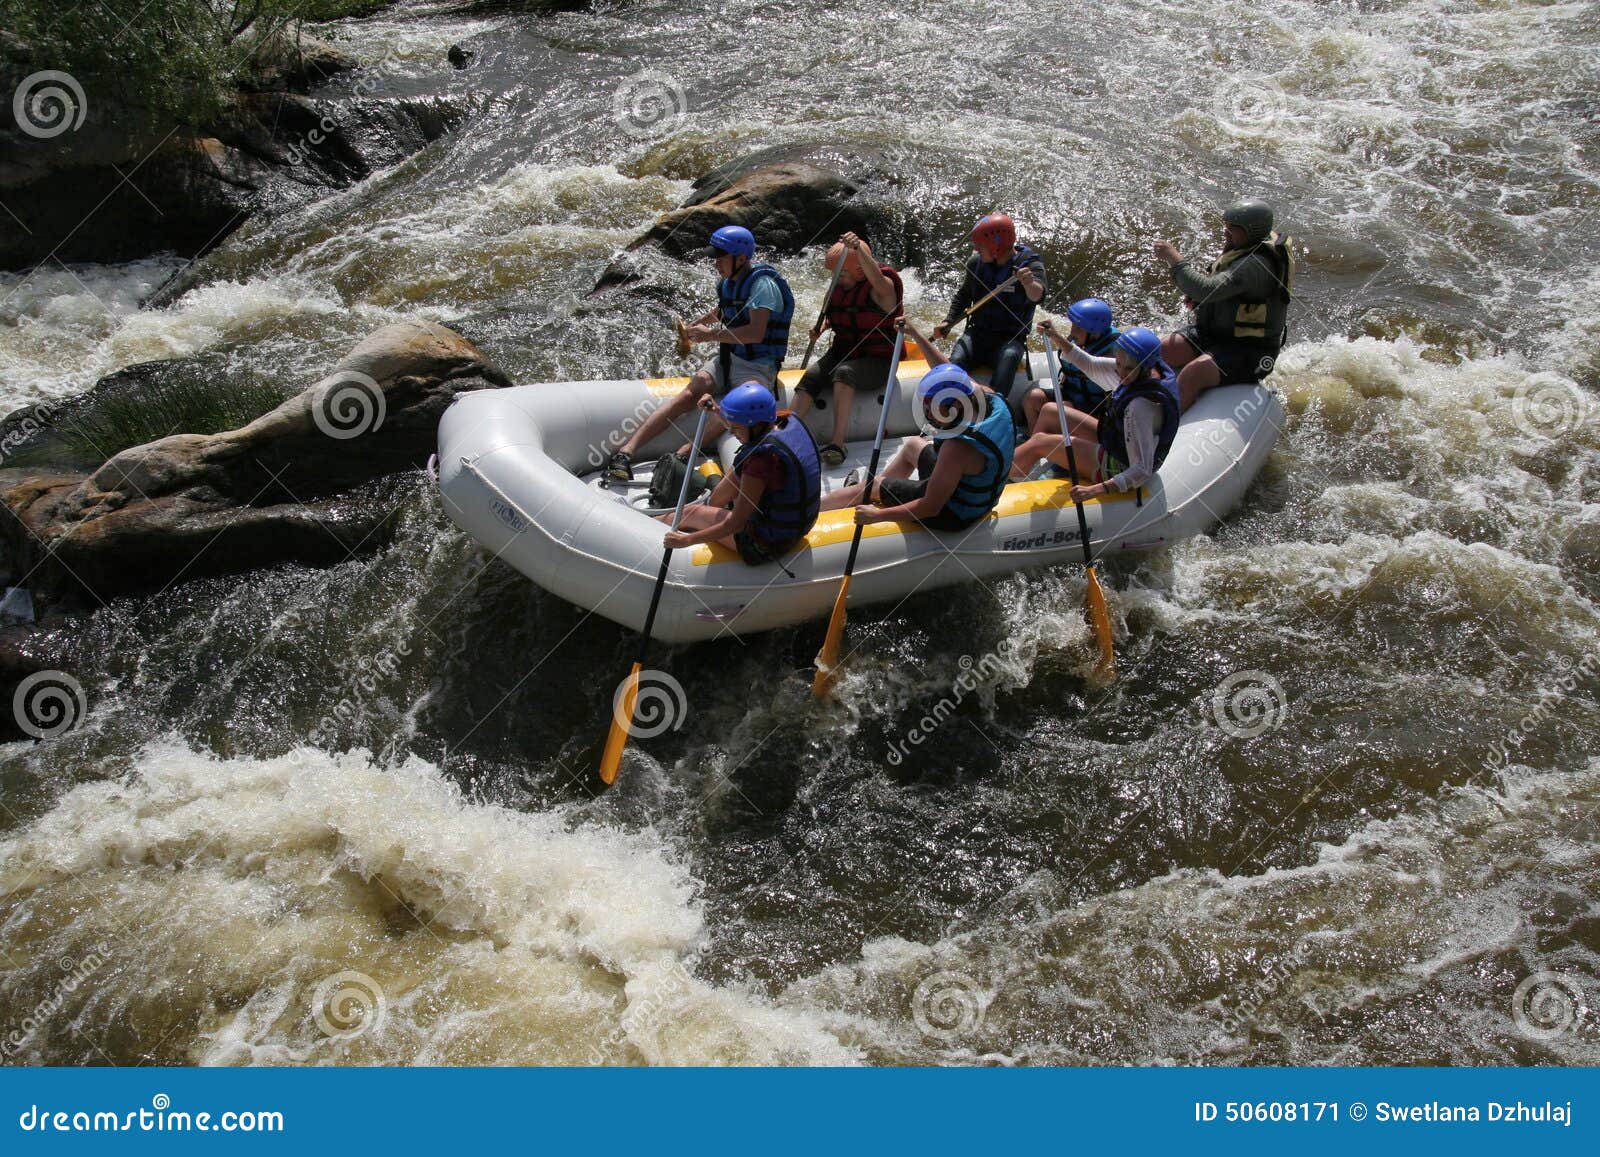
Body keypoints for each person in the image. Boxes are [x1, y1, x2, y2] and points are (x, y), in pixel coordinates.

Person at [607, 225, 795, 480]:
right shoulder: (729, 281)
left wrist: (710, 336)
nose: (715, 263)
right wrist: (700, 323)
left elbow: (756, 332)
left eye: (720, 257)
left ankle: (685, 452)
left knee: (735, 406)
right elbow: (725, 310)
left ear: (741, 258)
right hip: (730, 357)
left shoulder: (763, 286)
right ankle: (625, 452)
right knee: (689, 393)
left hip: (758, 365)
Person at [819, 320, 1014, 532]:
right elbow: (947, 370)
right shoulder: (988, 397)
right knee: (914, 445)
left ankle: (815, 510)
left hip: (952, 512)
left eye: (935, 410)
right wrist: (914, 332)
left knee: (876, 486)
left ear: (956, 403)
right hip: (968, 487)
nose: (930, 416)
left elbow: (930, 507)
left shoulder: (957, 448)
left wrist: (878, 516)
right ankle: (864, 492)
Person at [1011, 325, 1180, 505]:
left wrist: (1096, 490)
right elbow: (1090, 365)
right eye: (1119, 364)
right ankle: (1026, 467)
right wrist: (1056, 336)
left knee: (1040, 442)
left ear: (1144, 366)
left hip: (1119, 467)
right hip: (1116, 440)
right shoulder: (1137, 370)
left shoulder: (1140, 407)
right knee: (1050, 411)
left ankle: (1001, 478)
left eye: (1127, 368)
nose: (1120, 373)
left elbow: (1142, 468)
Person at [659, 383, 821, 566]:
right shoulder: (785, 421)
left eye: (736, 428)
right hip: (793, 529)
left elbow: (736, 523)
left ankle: (650, 524)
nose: (731, 431)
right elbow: (742, 426)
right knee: (728, 484)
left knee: (692, 512)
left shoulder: (761, 461)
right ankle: (711, 509)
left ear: (754, 425)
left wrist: (688, 540)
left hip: (764, 545)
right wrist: (716, 410)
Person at [1155, 199, 1293, 411]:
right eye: (1226, 227)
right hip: (1217, 335)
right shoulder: (1245, 246)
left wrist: (1172, 256)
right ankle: (1142, 402)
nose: (1226, 233)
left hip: (1250, 350)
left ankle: (1167, 431)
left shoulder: (1256, 266)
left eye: (1233, 229)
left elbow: (1204, 288)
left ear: (1251, 231)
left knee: (1193, 373)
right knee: (1161, 351)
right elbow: (1218, 292)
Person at [790, 232, 904, 466]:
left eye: (841, 273)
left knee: (844, 373)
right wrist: (822, 326)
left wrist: (859, 251)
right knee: (811, 377)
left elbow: (878, 284)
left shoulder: (883, 289)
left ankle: (837, 443)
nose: (837, 279)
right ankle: (785, 434)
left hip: (878, 360)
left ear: (860, 270)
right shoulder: (839, 288)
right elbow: (840, 314)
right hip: (844, 350)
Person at [931, 213, 1046, 399]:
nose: (976, 249)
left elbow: (1037, 295)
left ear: (996, 247)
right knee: (957, 359)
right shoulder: (976, 263)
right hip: (977, 334)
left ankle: (995, 407)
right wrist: (949, 320)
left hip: (1010, 339)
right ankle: (953, 404)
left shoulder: (1029, 264)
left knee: (1009, 357)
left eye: (980, 246)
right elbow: (964, 296)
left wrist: (1028, 283)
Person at [1018, 297, 1120, 434]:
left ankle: (1042, 444)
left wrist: (1055, 336)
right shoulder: (1079, 340)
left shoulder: (1113, 353)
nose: (1072, 331)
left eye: (1078, 328)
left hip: (1095, 408)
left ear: (1094, 333)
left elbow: (1088, 362)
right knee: (1032, 398)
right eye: (1073, 325)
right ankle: (1034, 435)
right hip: (1071, 395)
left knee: (1059, 408)